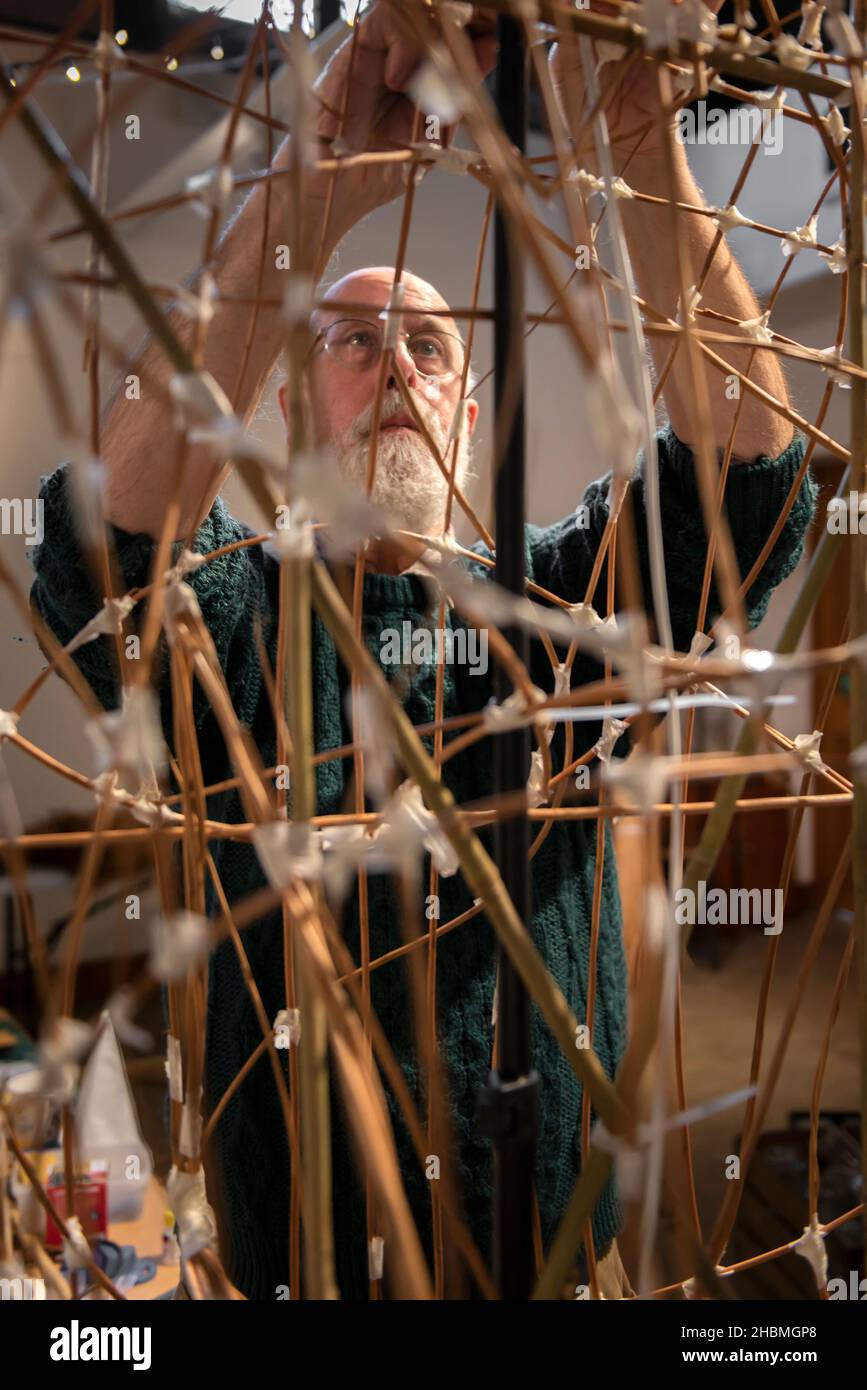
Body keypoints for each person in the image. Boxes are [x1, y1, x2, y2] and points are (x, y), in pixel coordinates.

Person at [30, 4, 817, 1298]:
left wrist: (629, 125)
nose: (394, 361)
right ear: (288, 402)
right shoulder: (240, 618)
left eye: (431, 345)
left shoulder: (559, 607)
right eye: (350, 340)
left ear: (467, 413)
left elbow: (757, 498)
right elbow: (97, 562)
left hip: (557, 1259)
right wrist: (312, 189)